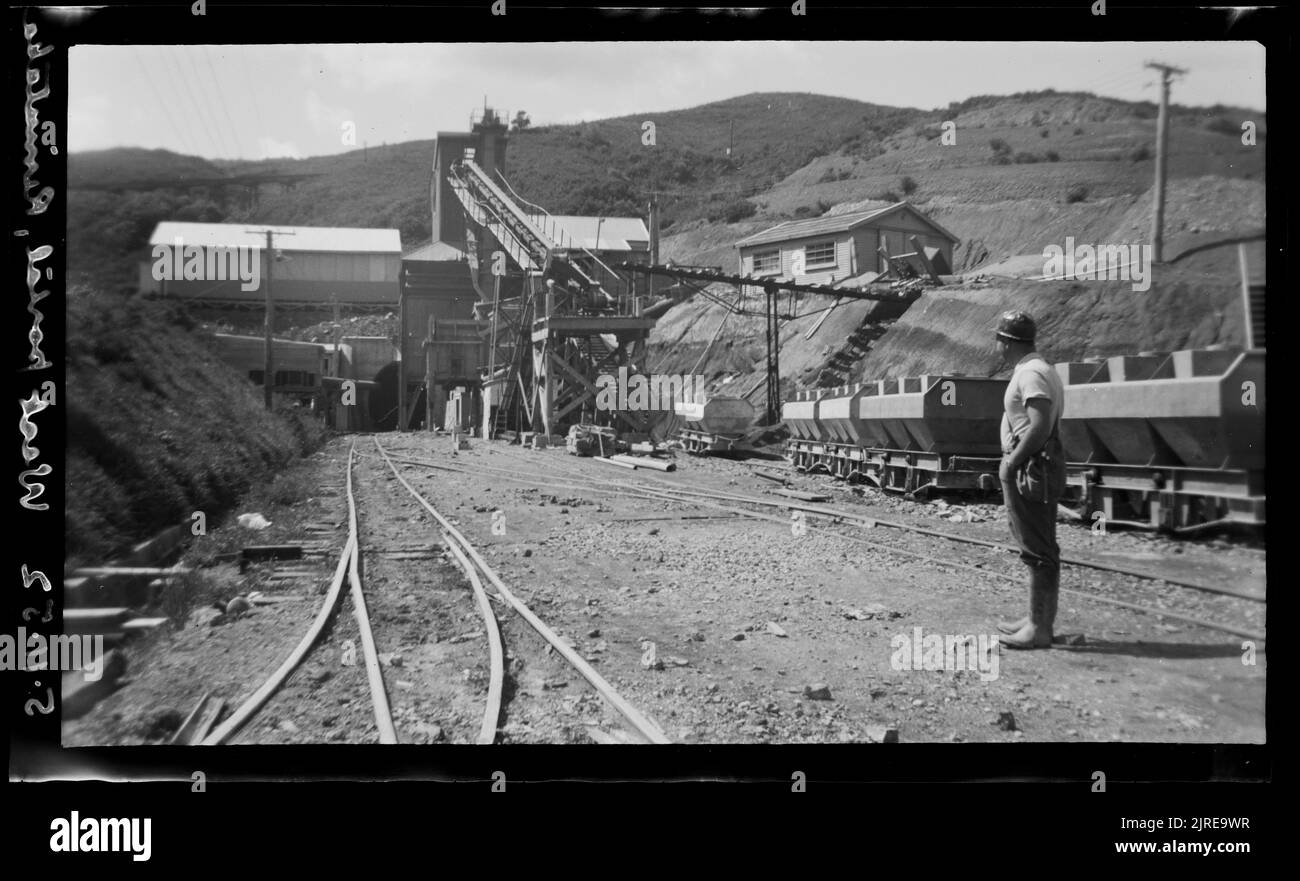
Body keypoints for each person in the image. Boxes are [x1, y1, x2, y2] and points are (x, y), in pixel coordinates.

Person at [992, 311, 1067, 649]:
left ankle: (1039, 628)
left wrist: (1013, 462)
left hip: (1032, 468)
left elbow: (1038, 425)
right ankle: (1035, 618)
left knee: (1038, 549)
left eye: (999, 341)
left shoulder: (1032, 374)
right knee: (1036, 545)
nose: (997, 347)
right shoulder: (1037, 369)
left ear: (1006, 342)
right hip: (1035, 465)